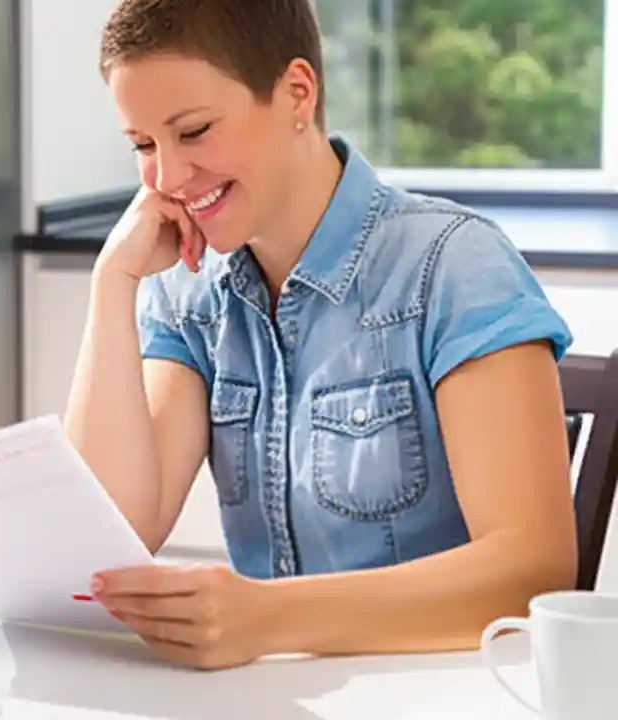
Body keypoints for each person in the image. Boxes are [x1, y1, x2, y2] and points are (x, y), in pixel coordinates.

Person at [65, 0, 578, 671]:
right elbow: (108, 537)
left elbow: (531, 573)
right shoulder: (187, 292)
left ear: (296, 93)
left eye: (192, 132)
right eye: (142, 145)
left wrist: (266, 617)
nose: (166, 177)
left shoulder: (454, 266)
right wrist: (113, 283)